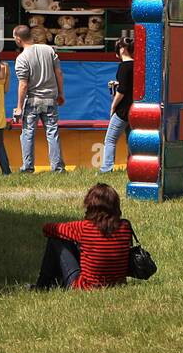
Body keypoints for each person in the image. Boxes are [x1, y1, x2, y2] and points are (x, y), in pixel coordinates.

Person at [34, 183, 133, 290]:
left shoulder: (85, 228)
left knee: (55, 240)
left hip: (86, 286)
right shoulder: (125, 227)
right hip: (117, 283)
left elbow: (49, 228)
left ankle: (42, 285)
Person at [11, 24, 65, 173]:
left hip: (33, 100)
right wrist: (61, 93)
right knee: (52, 132)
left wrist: (19, 107)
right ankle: (57, 167)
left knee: (28, 133)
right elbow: (59, 73)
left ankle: (28, 167)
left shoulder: (22, 58)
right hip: (50, 99)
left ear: (18, 39)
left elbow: (23, 84)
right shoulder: (48, 50)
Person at [101, 35, 135, 173]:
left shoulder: (123, 67)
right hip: (134, 109)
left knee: (110, 139)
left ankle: (106, 168)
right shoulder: (137, 66)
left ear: (121, 49)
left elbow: (122, 91)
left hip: (122, 111)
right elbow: (130, 85)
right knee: (131, 141)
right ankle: (133, 167)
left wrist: (113, 106)